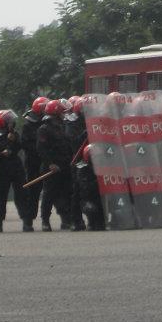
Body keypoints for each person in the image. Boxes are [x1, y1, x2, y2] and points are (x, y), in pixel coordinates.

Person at [0, 109, 32, 232]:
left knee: (22, 195)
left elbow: (19, 146)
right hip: (2, 169)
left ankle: (26, 222)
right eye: (9, 121)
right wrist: (1, 153)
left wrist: (13, 141)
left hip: (16, 168)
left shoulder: (14, 134)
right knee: (1, 197)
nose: (12, 123)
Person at [36, 98, 73, 231]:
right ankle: (45, 221)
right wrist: (50, 164)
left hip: (64, 167)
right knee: (49, 195)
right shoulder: (44, 129)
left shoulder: (63, 127)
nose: (64, 115)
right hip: (51, 168)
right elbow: (42, 149)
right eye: (62, 112)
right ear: (57, 113)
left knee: (65, 194)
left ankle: (66, 220)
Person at [20, 97, 47, 228]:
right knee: (32, 192)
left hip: (47, 161)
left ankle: (64, 218)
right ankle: (28, 220)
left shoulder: (49, 123)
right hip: (33, 163)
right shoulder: (28, 125)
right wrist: (38, 149)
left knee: (52, 191)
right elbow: (24, 144)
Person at [64, 96, 88, 231]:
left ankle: (96, 218)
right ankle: (76, 220)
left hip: (95, 157)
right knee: (77, 190)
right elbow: (73, 140)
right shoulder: (71, 122)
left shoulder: (94, 120)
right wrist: (85, 133)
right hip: (78, 158)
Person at [72, 144, 105, 231]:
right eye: (94, 156)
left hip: (102, 197)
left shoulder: (104, 166)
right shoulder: (82, 168)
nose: (97, 158)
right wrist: (99, 181)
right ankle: (91, 222)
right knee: (90, 208)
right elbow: (86, 187)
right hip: (88, 198)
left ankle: (107, 221)